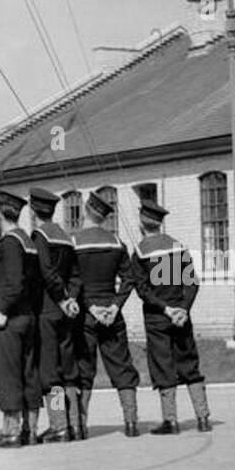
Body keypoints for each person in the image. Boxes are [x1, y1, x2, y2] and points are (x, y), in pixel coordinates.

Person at [131, 197, 211, 434]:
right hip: (182, 317)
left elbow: (143, 290)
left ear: (142, 223)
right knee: (189, 364)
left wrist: (165, 309)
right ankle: (203, 417)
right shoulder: (178, 246)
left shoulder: (140, 252)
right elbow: (191, 284)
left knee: (163, 366)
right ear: (159, 223)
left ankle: (171, 420)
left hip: (158, 318)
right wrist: (183, 309)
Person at [72, 187, 141, 438]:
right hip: (112, 314)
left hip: (85, 314)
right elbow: (129, 278)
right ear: (103, 217)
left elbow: (74, 282)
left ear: (85, 212)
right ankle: (131, 422)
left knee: (83, 368)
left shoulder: (74, 243)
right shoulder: (116, 243)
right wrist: (114, 306)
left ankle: (79, 425)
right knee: (122, 366)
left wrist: (90, 306)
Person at [0, 189, 42, 448]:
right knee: (29, 373)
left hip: (11, 317)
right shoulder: (28, 241)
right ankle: (30, 428)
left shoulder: (10, 242)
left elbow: (15, 283)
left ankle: (11, 432)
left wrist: (2, 310)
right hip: (28, 315)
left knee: (8, 375)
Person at [28, 187, 83, 442]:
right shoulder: (64, 236)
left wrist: (61, 299)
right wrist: (71, 298)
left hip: (48, 309)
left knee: (50, 372)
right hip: (66, 311)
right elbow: (75, 273)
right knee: (67, 367)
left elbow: (47, 272)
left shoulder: (39, 236)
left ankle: (59, 425)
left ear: (33, 209)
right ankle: (75, 424)